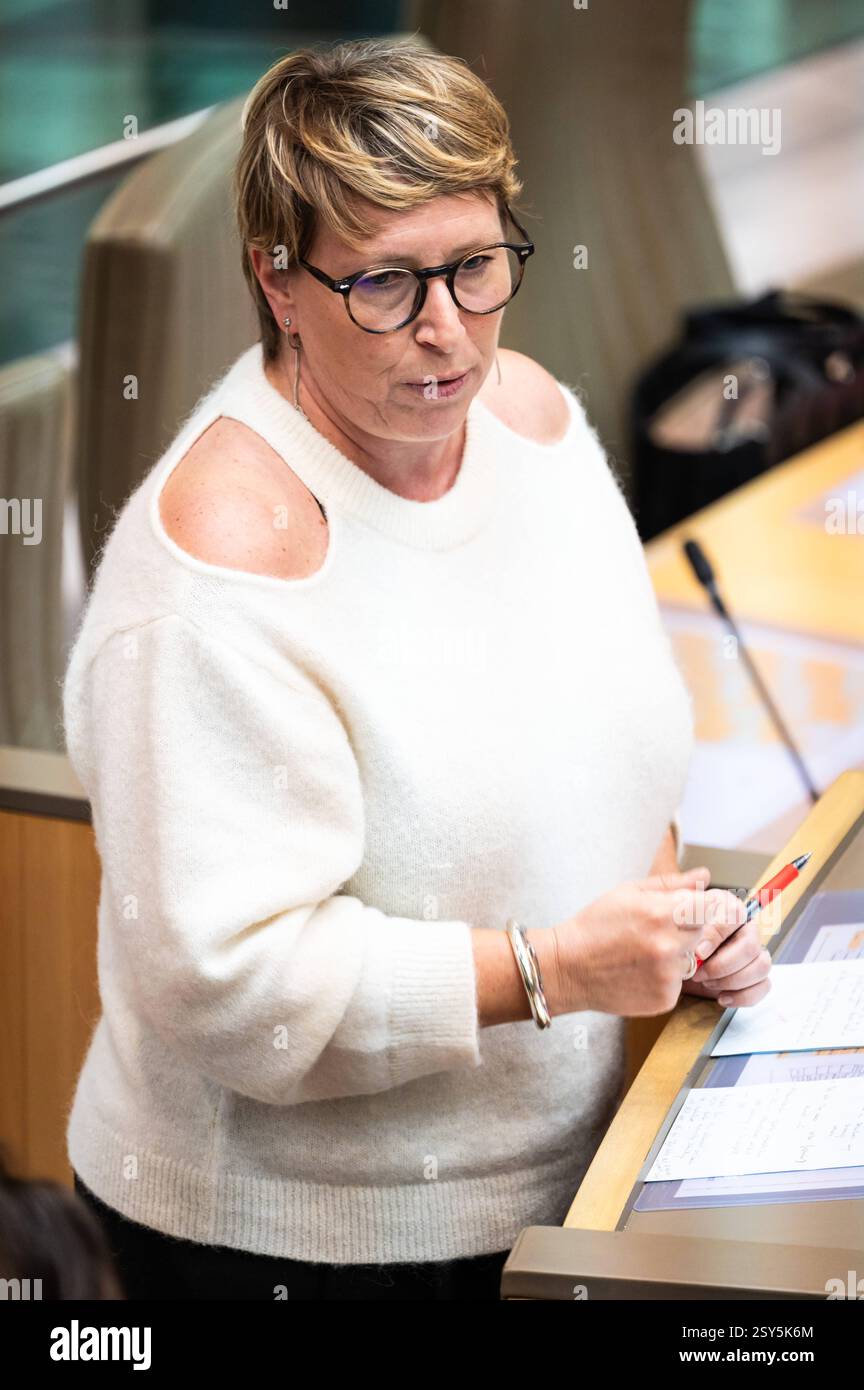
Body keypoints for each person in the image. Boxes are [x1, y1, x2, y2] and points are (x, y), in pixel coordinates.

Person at [63, 36, 771, 1302]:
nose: (446, 333)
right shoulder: (216, 577)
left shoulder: (537, 425)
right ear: (278, 283)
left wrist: (675, 921)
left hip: (575, 1171)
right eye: (385, 284)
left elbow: (621, 760)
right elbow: (235, 989)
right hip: (306, 1244)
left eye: (476, 268)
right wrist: (557, 967)